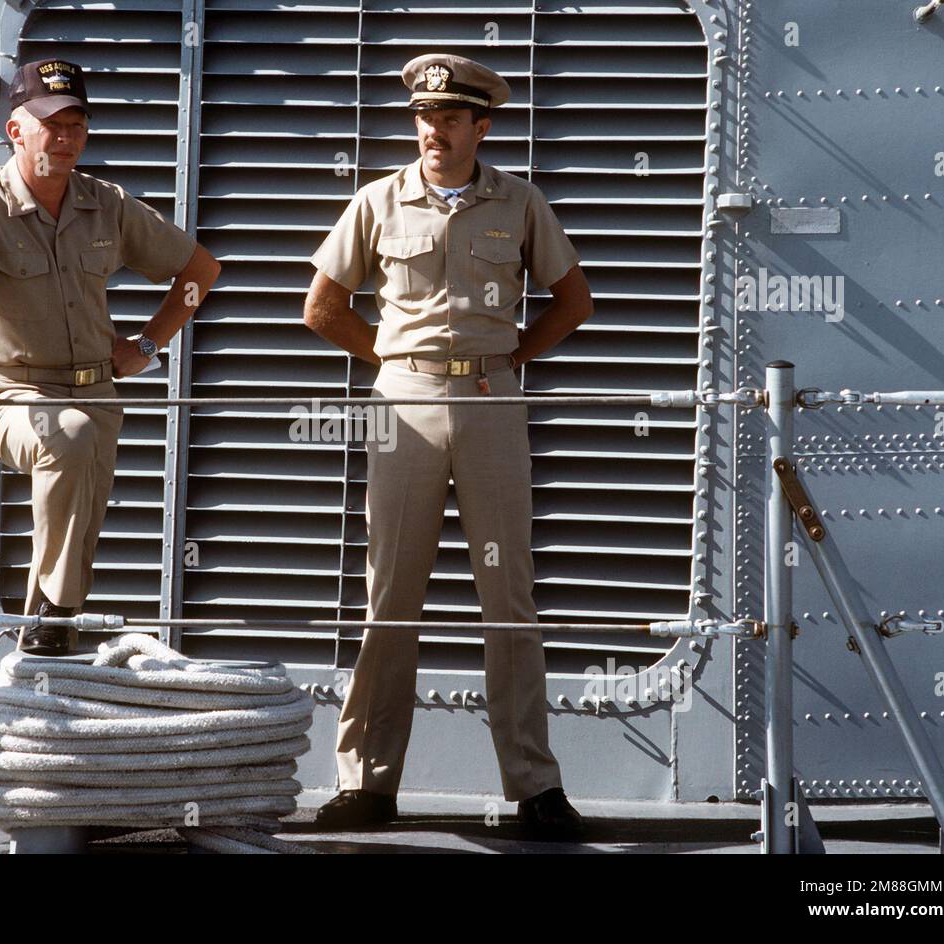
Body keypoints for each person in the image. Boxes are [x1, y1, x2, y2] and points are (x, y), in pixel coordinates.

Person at [302, 54, 595, 839]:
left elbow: (574, 299)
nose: (435, 130)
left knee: (509, 600)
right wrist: (397, 364)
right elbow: (321, 307)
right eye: (425, 118)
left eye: (451, 119)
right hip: (404, 407)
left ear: (481, 127)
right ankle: (366, 783)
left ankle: (534, 787)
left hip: (494, 402)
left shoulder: (519, 202)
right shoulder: (377, 203)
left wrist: (512, 358)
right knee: (390, 595)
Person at [0, 58, 220, 655]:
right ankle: (55, 615)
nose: (64, 139)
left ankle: (49, 631)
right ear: (16, 131)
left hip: (96, 391)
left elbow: (199, 271)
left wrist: (146, 345)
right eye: (50, 125)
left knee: (81, 512)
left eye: (76, 126)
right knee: (69, 438)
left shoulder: (104, 204)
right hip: (8, 396)